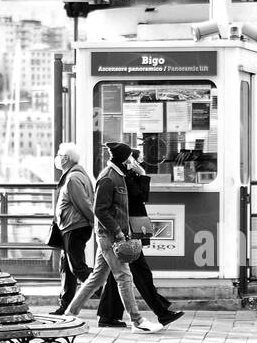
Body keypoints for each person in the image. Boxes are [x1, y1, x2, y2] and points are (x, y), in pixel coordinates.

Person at [64, 142, 160, 332]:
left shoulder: (119, 174)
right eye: (130, 156)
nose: (132, 159)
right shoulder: (109, 178)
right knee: (124, 276)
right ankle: (137, 321)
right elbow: (100, 209)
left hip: (109, 235)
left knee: (97, 278)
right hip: (110, 236)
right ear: (124, 158)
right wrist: (117, 231)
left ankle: (70, 314)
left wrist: (140, 173)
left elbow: (139, 195)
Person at [96, 150, 184, 328]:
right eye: (137, 158)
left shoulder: (126, 175)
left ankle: (107, 315)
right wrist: (142, 174)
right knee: (141, 273)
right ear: (130, 160)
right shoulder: (122, 177)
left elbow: (142, 197)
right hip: (126, 232)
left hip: (127, 231)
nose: (141, 160)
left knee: (117, 275)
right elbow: (140, 195)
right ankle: (162, 312)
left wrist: (140, 174)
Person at [52, 142, 95, 315]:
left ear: (66, 159)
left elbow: (84, 204)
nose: (57, 159)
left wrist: (94, 221)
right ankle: (65, 306)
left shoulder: (73, 178)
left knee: (77, 267)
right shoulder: (75, 175)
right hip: (70, 227)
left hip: (74, 227)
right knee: (67, 268)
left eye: (60, 156)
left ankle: (104, 291)